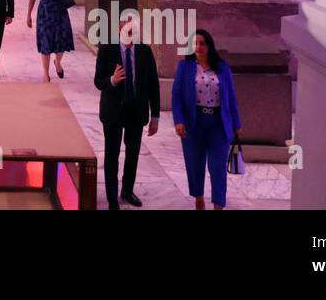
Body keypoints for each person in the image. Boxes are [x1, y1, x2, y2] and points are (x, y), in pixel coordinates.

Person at [94, 13, 160, 210]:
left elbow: (153, 85)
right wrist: (112, 81)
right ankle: (112, 197)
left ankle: (127, 190)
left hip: (136, 111)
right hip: (113, 111)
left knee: (133, 153)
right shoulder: (107, 50)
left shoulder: (145, 52)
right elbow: (98, 81)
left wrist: (155, 115)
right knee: (111, 154)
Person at [172, 28, 243, 210]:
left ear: (209, 46)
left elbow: (231, 97)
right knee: (195, 163)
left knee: (217, 165)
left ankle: (218, 204)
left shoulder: (222, 67)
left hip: (217, 123)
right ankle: (198, 197)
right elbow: (177, 96)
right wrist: (179, 120)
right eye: (195, 43)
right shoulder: (185, 67)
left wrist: (237, 123)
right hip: (194, 121)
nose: (198, 47)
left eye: (202, 43)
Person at [26, 0, 76, 81]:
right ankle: (46, 74)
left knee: (61, 42)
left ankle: (58, 63)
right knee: (45, 44)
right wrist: (28, 15)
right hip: (44, 13)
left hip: (60, 12)